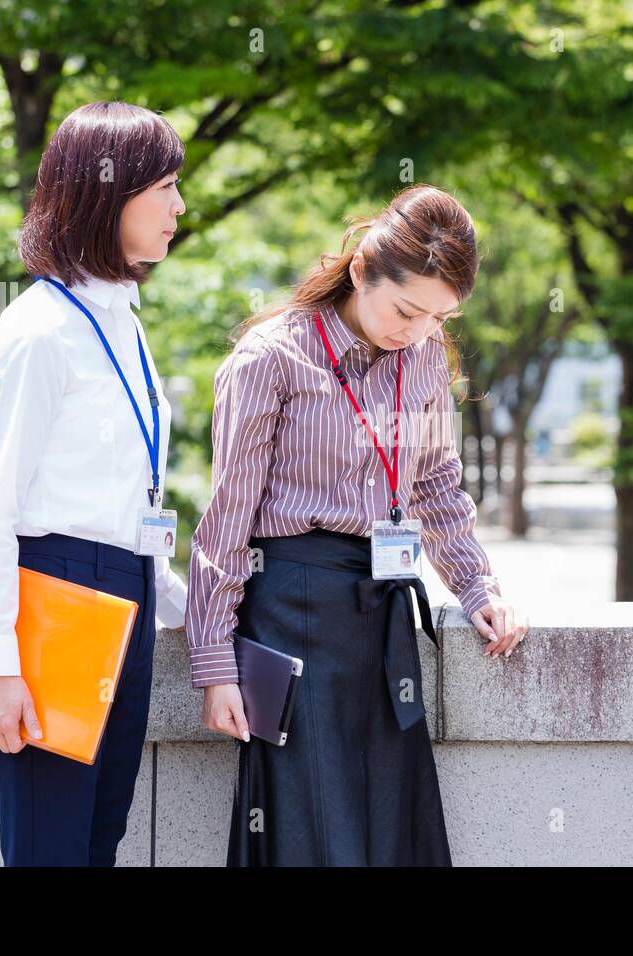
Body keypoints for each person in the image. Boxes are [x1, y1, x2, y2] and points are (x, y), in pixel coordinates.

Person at [185, 184, 529, 865]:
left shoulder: (424, 360)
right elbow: (227, 519)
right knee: (312, 833)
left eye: (440, 318)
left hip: (382, 617)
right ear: (364, 269)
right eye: (408, 310)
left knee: (386, 829)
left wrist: (478, 588)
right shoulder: (272, 358)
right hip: (292, 612)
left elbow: (434, 484)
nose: (421, 331)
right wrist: (214, 663)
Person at [0, 101, 189, 866]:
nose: (178, 207)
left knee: (98, 844)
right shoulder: (38, 329)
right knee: (50, 851)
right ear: (109, 192)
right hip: (56, 591)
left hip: (126, 592)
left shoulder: (122, 316)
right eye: (164, 186)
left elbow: (132, 498)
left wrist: (191, 608)